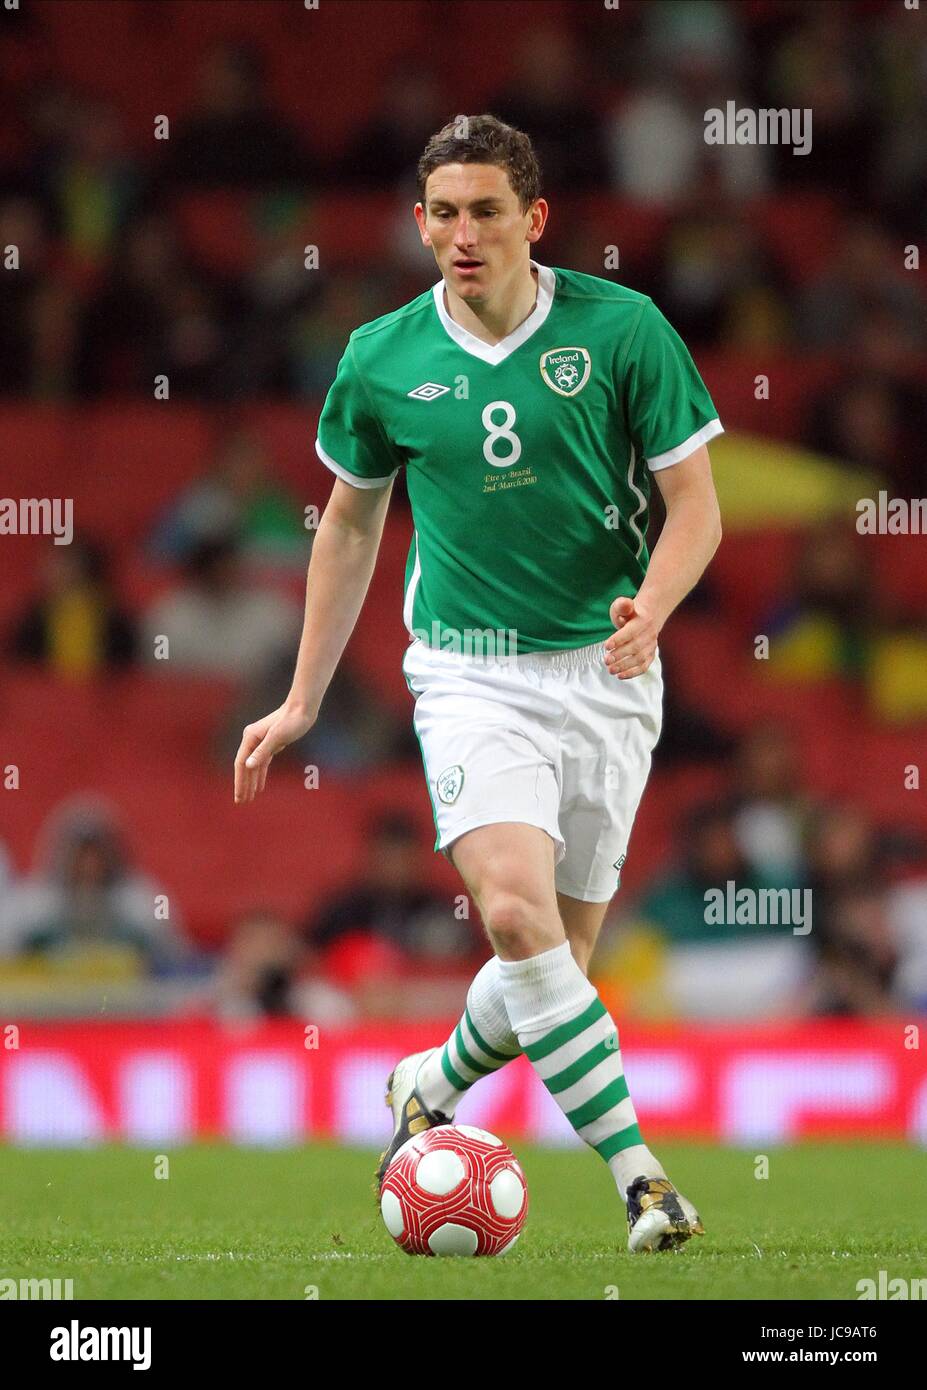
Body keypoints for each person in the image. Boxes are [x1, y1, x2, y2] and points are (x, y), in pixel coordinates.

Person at [233, 116, 723, 1253]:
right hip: (469, 670)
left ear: (534, 221)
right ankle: (644, 1179)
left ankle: (430, 1075)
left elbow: (694, 503)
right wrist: (304, 695)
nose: (463, 234)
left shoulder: (623, 331)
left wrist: (651, 607)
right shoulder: (380, 357)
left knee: (555, 965)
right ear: (420, 223)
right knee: (513, 915)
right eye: (443, 213)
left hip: (605, 672)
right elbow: (349, 526)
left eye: (486, 212)